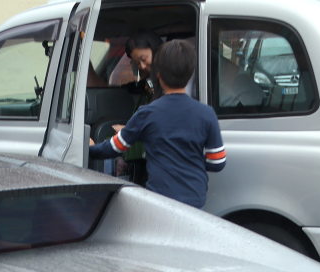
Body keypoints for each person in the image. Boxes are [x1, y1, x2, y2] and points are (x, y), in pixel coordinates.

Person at [88, 39, 226, 208]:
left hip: (160, 200)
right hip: (195, 200)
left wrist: (91, 148)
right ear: (190, 73)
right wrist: (192, 163)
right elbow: (218, 163)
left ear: (158, 74)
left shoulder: (147, 114)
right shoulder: (207, 114)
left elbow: (114, 147)